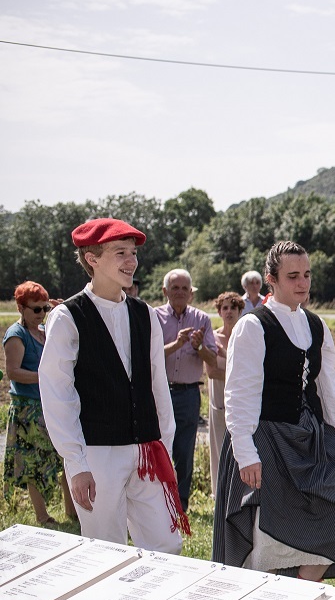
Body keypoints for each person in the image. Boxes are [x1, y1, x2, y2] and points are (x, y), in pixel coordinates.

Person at [215, 240, 335, 581]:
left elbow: (327, 392)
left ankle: (302, 590)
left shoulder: (316, 325)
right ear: (272, 279)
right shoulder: (253, 325)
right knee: (267, 535)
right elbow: (239, 393)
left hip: (309, 439)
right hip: (265, 439)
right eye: (293, 275)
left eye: (307, 274)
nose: (303, 283)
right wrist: (245, 452)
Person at [42, 218, 185, 554]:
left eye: (132, 253)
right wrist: (76, 464)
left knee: (167, 544)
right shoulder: (68, 317)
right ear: (92, 259)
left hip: (147, 450)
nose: (131, 261)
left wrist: (165, 444)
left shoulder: (144, 313)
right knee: (104, 551)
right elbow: (58, 393)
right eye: (120, 252)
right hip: (97, 452)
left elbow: (156, 385)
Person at [3, 281, 73, 526]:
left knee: (65, 456)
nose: (41, 314)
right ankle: (43, 516)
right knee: (33, 464)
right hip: (28, 409)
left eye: (45, 308)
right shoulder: (16, 334)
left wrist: (62, 312)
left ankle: (71, 512)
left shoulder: (44, 330)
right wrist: (47, 376)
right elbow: (13, 372)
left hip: (50, 403)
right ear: (21, 308)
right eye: (36, 310)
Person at [155, 268, 218, 511]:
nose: (180, 293)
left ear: (191, 293)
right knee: (158, 447)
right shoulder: (154, 317)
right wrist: (177, 344)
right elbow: (149, 358)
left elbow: (212, 360)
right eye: (175, 288)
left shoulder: (201, 319)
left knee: (184, 451)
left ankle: (179, 505)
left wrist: (198, 346)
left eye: (184, 288)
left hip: (189, 394)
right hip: (160, 391)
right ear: (165, 291)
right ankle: (157, 503)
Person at [205, 292, 244, 496]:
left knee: (241, 443)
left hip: (240, 397)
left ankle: (240, 489)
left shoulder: (245, 336)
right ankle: (219, 492)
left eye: (233, 307)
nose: (229, 312)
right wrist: (236, 372)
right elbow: (212, 372)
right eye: (225, 308)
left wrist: (226, 360)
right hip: (219, 395)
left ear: (240, 310)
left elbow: (250, 371)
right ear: (219, 311)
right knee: (219, 443)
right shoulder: (212, 337)